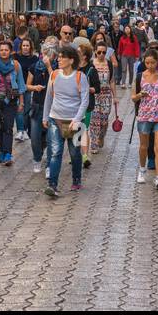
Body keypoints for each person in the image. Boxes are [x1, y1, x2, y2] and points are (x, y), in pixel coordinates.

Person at [41, 44, 88, 197]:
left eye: (63, 57)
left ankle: (76, 179)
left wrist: (77, 120)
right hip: (55, 119)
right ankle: (52, 185)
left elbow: (84, 101)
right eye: (59, 57)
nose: (59, 59)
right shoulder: (54, 74)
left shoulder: (80, 77)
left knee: (75, 153)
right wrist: (45, 116)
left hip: (73, 121)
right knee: (55, 152)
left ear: (71, 60)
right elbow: (49, 96)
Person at [133, 50, 158, 190]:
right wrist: (140, 95)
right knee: (144, 146)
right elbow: (133, 97)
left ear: (157, 61)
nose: (150, 65)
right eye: (147, 62)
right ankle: (142, 170)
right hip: (144, 116)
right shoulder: (139, 76)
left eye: (152, 62)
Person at [16, 38, 50, 173]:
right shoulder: (35, 66)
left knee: (50, 137)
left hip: (52, 107)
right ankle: (37, 158)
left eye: (50, 52)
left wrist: (49, 67)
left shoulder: (57, 68)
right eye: (45, 52)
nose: (46, 55)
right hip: (37, 105)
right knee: (35, 136)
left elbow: (57, 81)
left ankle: (49, 164)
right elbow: (26, 86)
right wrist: (34, 87)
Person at [0, 40, 23, 166]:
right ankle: (2, 151)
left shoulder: (15, 65)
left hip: (11, 101)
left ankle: (8, 153)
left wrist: (21, 103)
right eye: (2, 50)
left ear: (10, 52)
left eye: (6, 50)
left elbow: (20, 85)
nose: (4, 52)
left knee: (8, 127)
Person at [89, 41, 115, 155]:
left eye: (103, 52)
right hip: (94, 96)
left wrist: (116, 97)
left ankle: (101, 136)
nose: (101, 54)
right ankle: (93, 144)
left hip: (106, 96)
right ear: (95, 52)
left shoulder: (109, 64)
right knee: (95, 121)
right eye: (99, 52)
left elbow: (112, 81)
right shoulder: (91, 64)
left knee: (104, 121)